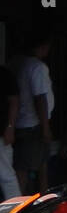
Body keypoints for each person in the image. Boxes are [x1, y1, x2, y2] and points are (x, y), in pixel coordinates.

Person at [12, 34, 54, 195]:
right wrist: (45, 127)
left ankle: (32, 199)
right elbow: (40, 98)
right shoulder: (37, 67)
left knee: (26, 165)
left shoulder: (15, 62)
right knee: (33, 167)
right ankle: (30, 202)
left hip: (19, 122)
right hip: (33, 123)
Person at [0, 61, 20, 199]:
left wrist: (10, 128)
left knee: (6, 174)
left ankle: (16, 211)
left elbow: (14, 101)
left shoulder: (4, 74)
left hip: (1, 132)